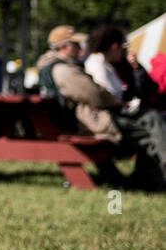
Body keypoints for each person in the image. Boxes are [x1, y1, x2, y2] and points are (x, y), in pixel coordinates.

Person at [37, 25, 166, 190]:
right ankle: (154, 181)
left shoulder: (59, 67)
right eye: (76, 45)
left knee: (151, 124)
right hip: (88, 122)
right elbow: (94, 95)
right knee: (149, 132)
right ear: (64, 47)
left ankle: (146, 179)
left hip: (83, 119)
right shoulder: (63, 70)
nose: (80, 48)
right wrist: (117, 102)